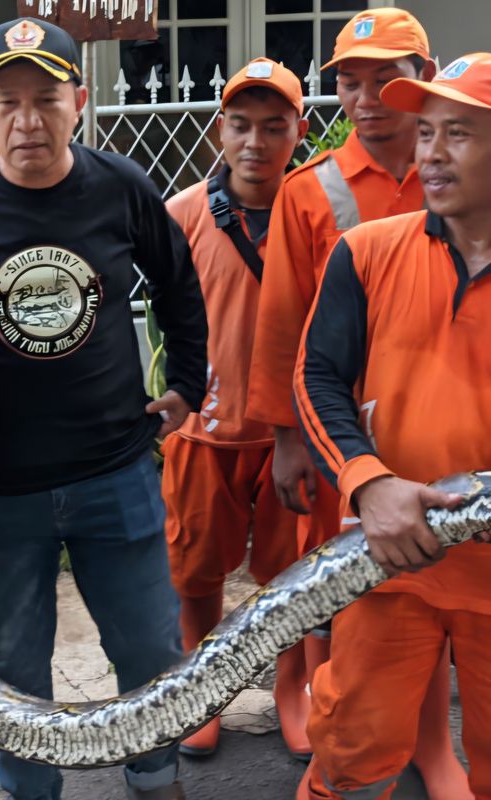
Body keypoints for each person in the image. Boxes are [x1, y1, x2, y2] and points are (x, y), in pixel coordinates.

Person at [0, 18, 208, 800]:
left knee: (148, 647)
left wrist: (187, 384)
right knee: (15, 667)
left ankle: (155, 775)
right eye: (9, 101)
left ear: (79, 101)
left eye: (46, 99)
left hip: (113, 471)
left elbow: (179, 287)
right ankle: (31, 791)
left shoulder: (120, 186)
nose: (29, 120)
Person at [246, 9, 468, 796]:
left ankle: (431, 741)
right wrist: (289, 437)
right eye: (350, 81)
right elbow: (286, 333)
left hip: (448, 459)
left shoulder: (446, 177)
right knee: (335, 590)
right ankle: (315, 700)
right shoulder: (319, 195)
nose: (369, 98)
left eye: (387, 80)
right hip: (355, 449)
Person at [292, 53, 491, 800]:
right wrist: (367, 482)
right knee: (352, 749)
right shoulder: (367, 252)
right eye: (429, 132)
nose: (432, 153)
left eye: (461, 134)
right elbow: (316, 380)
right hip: (388, 561)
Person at [161, 58, 310, 760]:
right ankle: (206, 687)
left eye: (274, 126)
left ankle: (293, 690)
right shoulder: (182, 214)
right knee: (197, 573)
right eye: (242, 125)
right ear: (220, 130)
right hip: (204, 432)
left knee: (292, 578)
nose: (256, 142)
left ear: (298, 131)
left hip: (292, 434)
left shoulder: (314, 210)